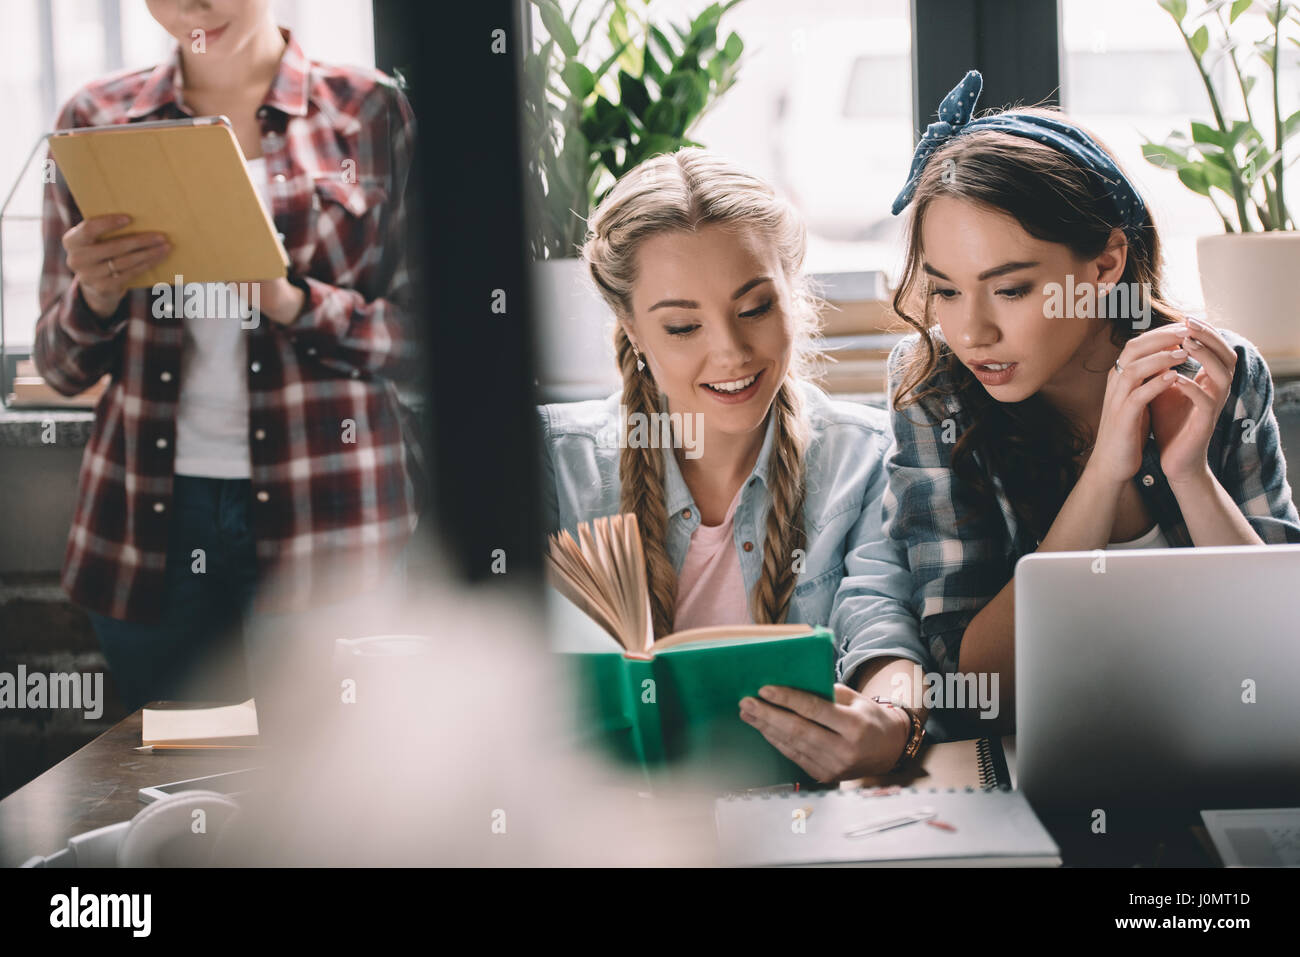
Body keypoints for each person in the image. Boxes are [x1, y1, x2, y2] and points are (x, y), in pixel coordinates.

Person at [33, 0, 422, 715]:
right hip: (149, 524)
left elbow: (426, 340)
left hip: (330, 512)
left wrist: (290, 301)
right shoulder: (96, 117)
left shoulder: (370, 111)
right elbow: (59, 367)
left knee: (327, 787)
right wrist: (93, 295)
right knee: (173, 786)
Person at [883, 70, 1300, 731]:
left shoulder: (1220, 372)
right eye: (947, 291)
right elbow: (971, 680)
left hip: (1233, 753)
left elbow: (1285, 645)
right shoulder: (934, 389)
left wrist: (1190, 475)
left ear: (1105, 266)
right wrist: (1105, 473)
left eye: (1011, 290)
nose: (971, 332)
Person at [538, 147, 932, 781]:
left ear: (793, 295)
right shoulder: (552, 465)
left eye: (754, 309)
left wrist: (892, 722)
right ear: (633, 330)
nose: (731, 352)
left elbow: (881, 626)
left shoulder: (865, 456)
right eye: (682, 327)